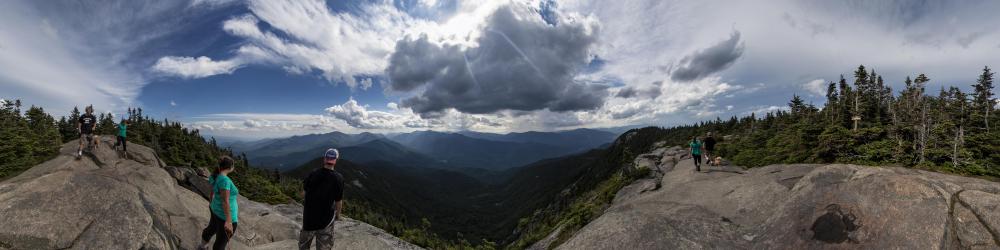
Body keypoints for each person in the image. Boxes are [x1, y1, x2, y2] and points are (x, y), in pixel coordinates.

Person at [299, 149, 345, 250]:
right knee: (324, 247)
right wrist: (338, 215)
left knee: (303, 246)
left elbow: (303, 194)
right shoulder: (338, 178)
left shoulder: (313, 173)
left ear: (325, 159)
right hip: (326, 221)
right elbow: (338, 201)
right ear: (335, 160)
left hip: (308, 219)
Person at [199, 156, 240, 250]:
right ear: (230, 167)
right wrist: (229, 222)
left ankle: (202, 247)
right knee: (220, 244)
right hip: (225, 216)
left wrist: (211, 203)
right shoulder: (225, 181)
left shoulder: (214, 175)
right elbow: (225, 201)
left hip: (215, 210)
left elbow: (212, 190)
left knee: (210, 229)